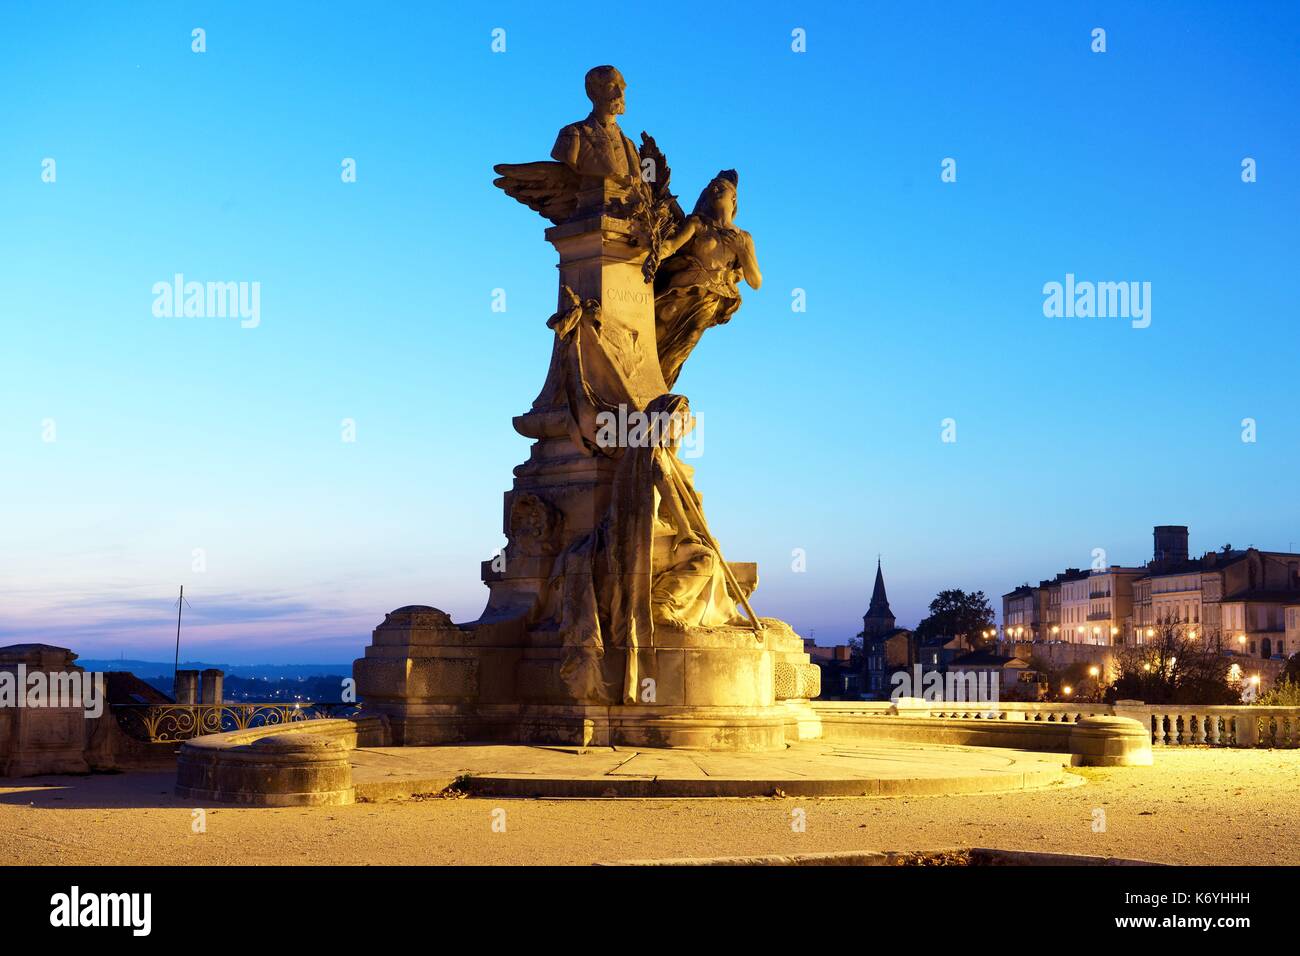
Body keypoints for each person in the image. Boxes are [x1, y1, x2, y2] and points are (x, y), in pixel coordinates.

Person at [653, 171, 762, 387]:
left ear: (733, 198)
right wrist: (652, 252)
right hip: (680, 291)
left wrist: (743, 251)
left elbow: (756, 282)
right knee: (655, 334)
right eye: (712, 186)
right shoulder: (697, 224)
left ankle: (657, 388)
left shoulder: (744, 238)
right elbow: (671, 246)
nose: (714, 189)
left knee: (682, 346)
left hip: (707, 301)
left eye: (720, 187)